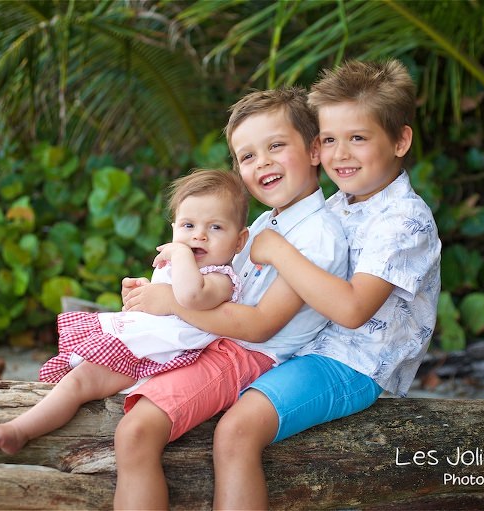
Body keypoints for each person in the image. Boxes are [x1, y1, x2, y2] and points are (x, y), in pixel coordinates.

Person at [212, 59, 442, 509]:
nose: (340, 154)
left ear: (400, 140)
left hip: (354, 365)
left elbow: (354, 309)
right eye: (330, 140)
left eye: (358, 138)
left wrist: (279, 251)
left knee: (237, 431)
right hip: (301, 349)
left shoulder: (406, 220)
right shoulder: (335, 208)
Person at [113, 86, 349, 509]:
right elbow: (217, 284)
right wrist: (156, 291)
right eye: (248, 156)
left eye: (276, 145)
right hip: (212, 342)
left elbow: (260, 324)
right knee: (90, 378)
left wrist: (171, 302)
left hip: (245, 354)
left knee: (135, 432)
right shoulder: (261, 225)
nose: (263, 163)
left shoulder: (319, 235)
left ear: (315, 150)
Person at [0, 169, 251, 455]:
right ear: (174, 227)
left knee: (78, 382)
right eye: (188, 225)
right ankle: (22, 426)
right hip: (142, 345)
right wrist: (140, 294)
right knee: (75, 381)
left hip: (155, 357)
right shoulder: (179, 268)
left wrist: (178, 254)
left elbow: (191, 296)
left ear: (239, 241)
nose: (199, 236)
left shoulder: (221, 279)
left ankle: (19, 430)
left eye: (215, 227)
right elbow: (167, 301)